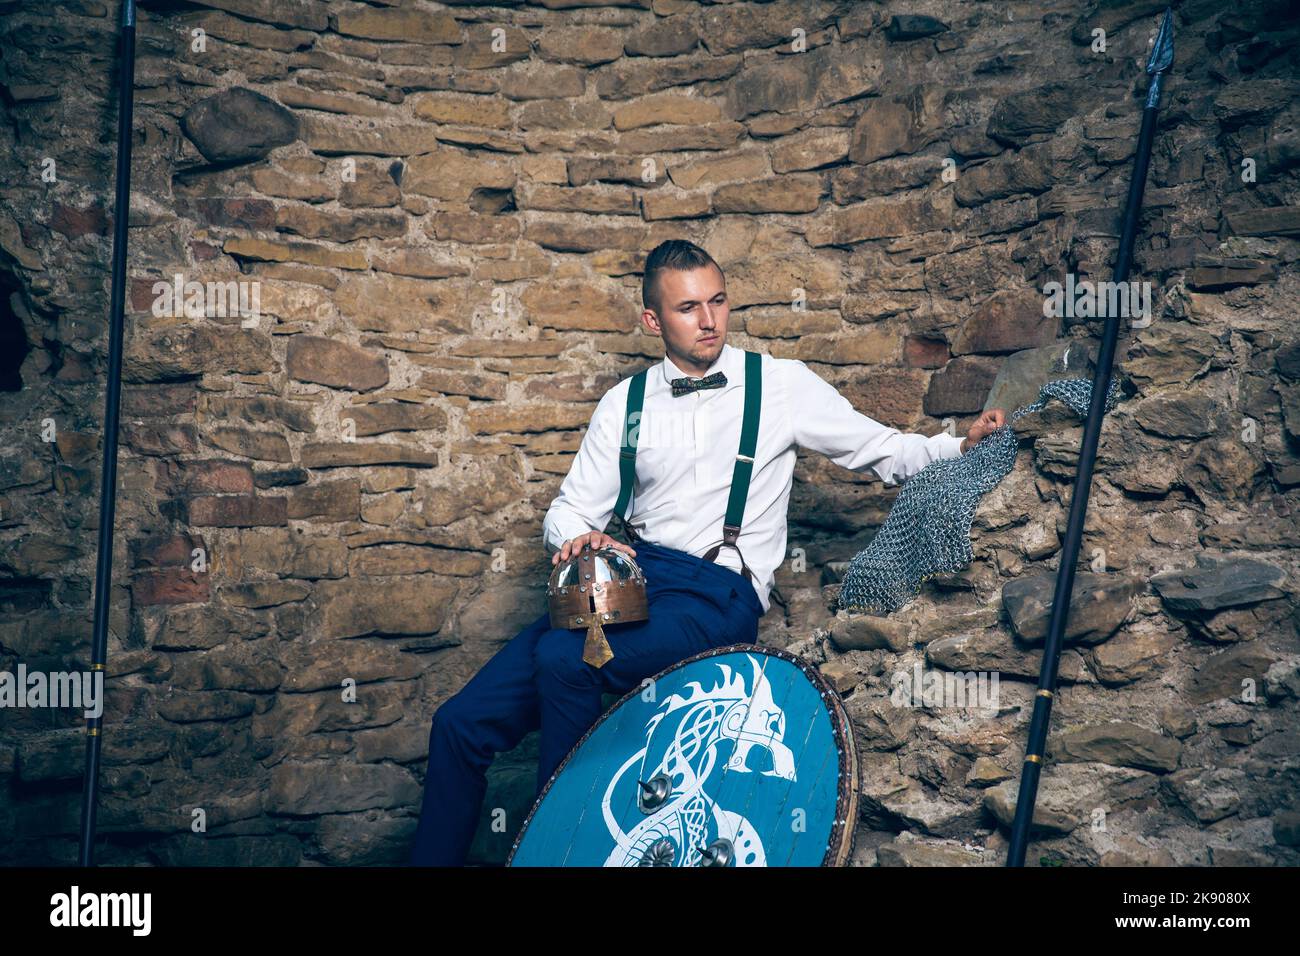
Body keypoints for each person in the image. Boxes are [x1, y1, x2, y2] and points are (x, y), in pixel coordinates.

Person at [409, 239, 1006, 865]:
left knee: (565, 658)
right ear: (652, 321)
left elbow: (880, 448)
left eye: (717, 301)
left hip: (716, 593)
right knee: (459, 723)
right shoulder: (627, 404)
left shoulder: (777, 384)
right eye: (689, 307)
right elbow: (568, 508)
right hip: (633, 584)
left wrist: (955, 448)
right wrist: (576, 538)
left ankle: (563, 852)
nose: (709, 320)